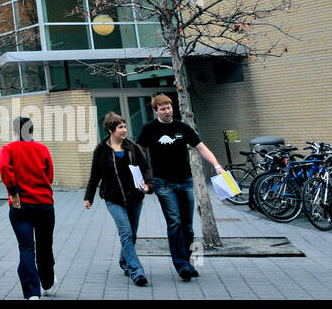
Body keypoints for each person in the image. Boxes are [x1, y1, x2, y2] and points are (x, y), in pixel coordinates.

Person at [135, 93, 226, 281]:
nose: (167, 111)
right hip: (163, 183)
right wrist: (141, 175)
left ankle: (187, 260)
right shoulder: (149, 129)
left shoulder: (182, 127)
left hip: (185, 181)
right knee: (174, 221)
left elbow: (201, 147)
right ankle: (181, 265)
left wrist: (216, 165)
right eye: (162, 109)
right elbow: (138, 151)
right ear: (156, 111)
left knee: (187, 225)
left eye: (169, 107)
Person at [84, 112, 154, 287]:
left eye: (124, 126)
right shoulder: (101, 150)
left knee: (133, 234)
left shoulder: (133, 147)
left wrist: (149, 185)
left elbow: (145, 168)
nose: (124, 130)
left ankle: (124, 262)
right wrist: (89, 197)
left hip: (135, 197)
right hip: (113, 198)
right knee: (126, 233)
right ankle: (136, 272)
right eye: (120, 127)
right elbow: (95, 175)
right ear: (110, 130)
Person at [0, 117, 56, 300]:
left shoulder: (8, 149)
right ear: (32, 130)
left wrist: (13, 190)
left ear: (15, 132)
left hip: (20, 206)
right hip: (44, 205)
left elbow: (4, 167)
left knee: (26, 248)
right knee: (45, 246)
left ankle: (32, 293)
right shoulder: (43, 149)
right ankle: (47, 281)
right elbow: (50, 175)